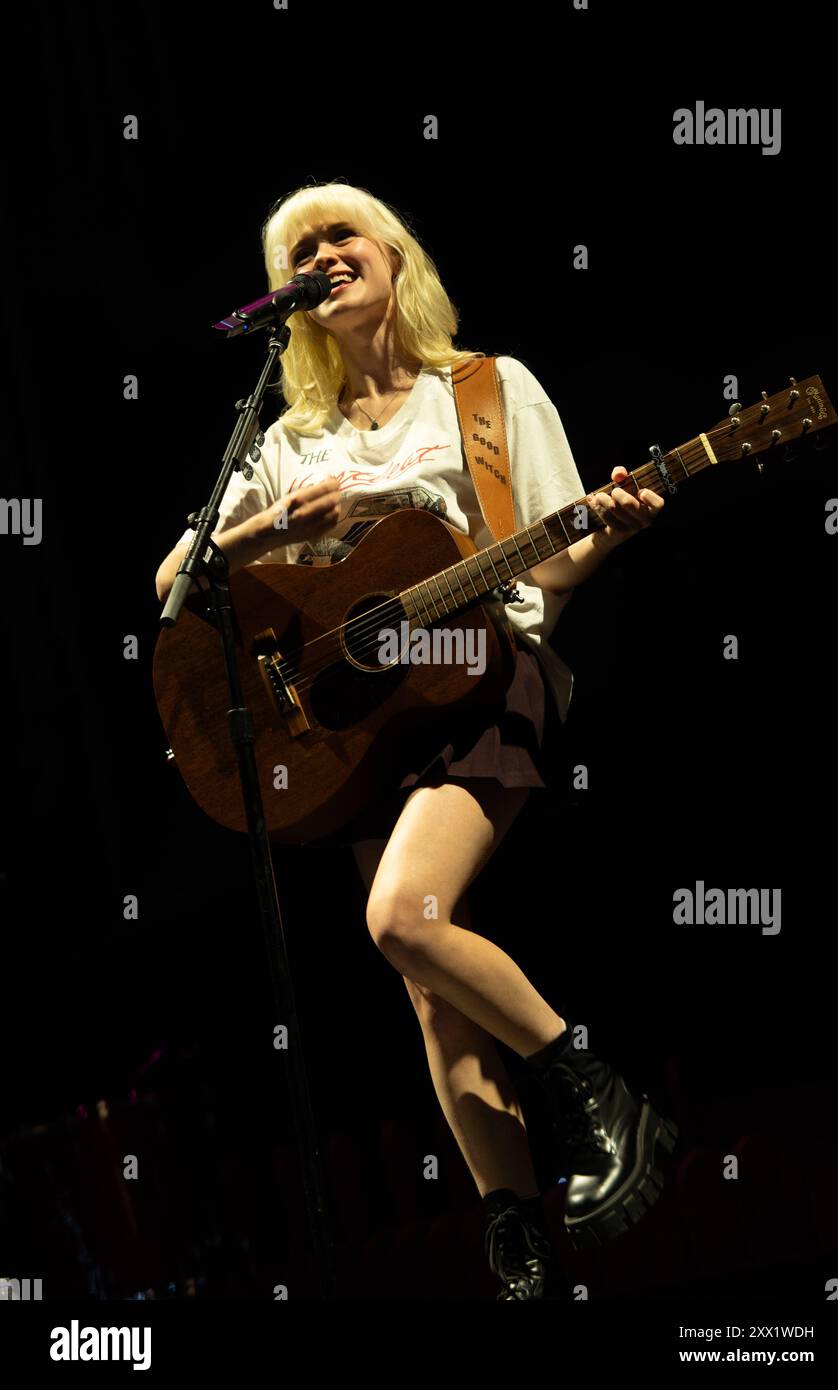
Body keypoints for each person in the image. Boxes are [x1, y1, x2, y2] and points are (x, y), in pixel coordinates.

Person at [154, 181, 676, 1300]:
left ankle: (600, 1092)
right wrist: (269, 526)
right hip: (361, 722)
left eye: (341, 233)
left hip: (483, 683)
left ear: (394, 252)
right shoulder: (286, 440)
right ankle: (514, 1222)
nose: (324, 254)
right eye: (300, 249)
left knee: (401, 914)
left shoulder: (486, 392)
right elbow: (171, 586)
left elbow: (542, 562)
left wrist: (611, 530)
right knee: (425, 974)